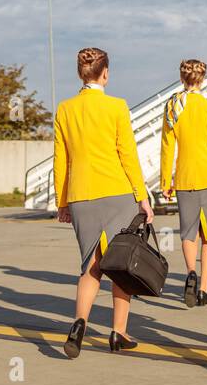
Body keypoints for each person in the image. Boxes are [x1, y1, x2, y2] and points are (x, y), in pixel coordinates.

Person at [53, 48, 154, 358]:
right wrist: (142, 196)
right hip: (117, 193)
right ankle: (118, 332)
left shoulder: (65, 109)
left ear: (80, 73)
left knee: (90, 267)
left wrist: (63, 201)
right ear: (105, 73)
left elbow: (61, 159)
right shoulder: (117, 107)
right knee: (121, 265)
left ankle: (79, 324)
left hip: (81, 196)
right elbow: (128, 155)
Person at [160, 59, 207, 309]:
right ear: (203, 79)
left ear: (182, 77)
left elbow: (167, 147)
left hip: (184, 178)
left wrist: (166, 180)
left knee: (188, 233)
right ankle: (204, 288)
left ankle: (190, 273)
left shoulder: (173, 107)